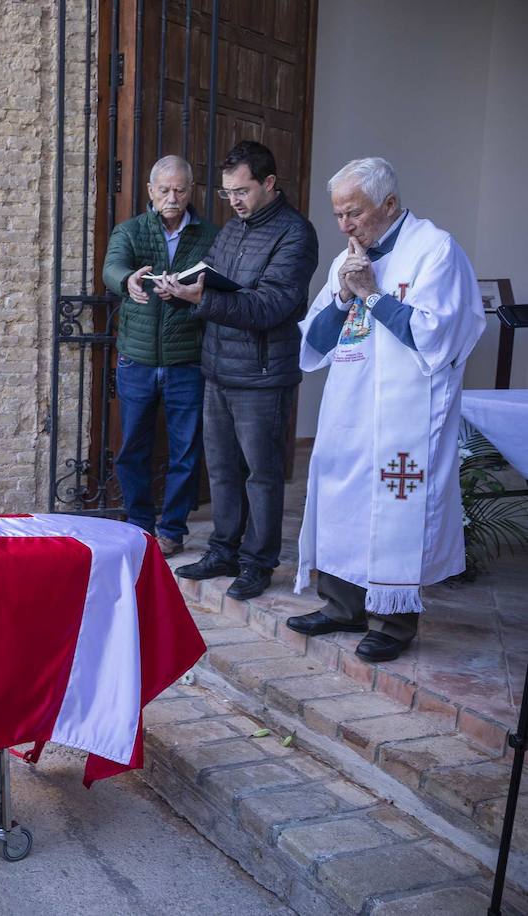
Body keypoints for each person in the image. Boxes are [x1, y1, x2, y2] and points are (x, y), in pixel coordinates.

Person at [286, 158, 485, 662]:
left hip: (407, 414)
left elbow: (439, 335)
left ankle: (393, 624)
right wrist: (343, 299)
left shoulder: (435, 251)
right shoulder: (347, 258)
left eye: (353, 213)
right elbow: (315, 343)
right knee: (340, 496)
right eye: (338, 215)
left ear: (390, 205)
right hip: (349, 406)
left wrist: (372, 296)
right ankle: (341, 605)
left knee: (396, 507)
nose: (344, 226)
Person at [164, 140, 318, 601]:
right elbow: (214, 277)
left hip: (263, 375)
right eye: (227, 191)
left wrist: (202, 299)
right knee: (223, 470)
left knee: (262, 474)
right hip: (218, 368)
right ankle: (223, 550)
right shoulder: (232, 230)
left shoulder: (296, 234)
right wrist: (181, 287)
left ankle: (257, 562)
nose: (233, 201)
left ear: (269, 183)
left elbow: (272, 305)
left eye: (242, 190)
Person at [101, 155, 219, 557]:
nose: (172, 197)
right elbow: (113, 266)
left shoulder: (210, 235)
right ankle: (139, 524)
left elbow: (219, 283)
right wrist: (127, 279)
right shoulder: (130, 230)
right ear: (151, 191)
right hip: (137, 359)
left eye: (180, 190)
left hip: (187, 359)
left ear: (191, 191)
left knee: (185, 449)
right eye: (164, 190)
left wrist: (194, 295)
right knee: (133, 445)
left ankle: (172, 529)